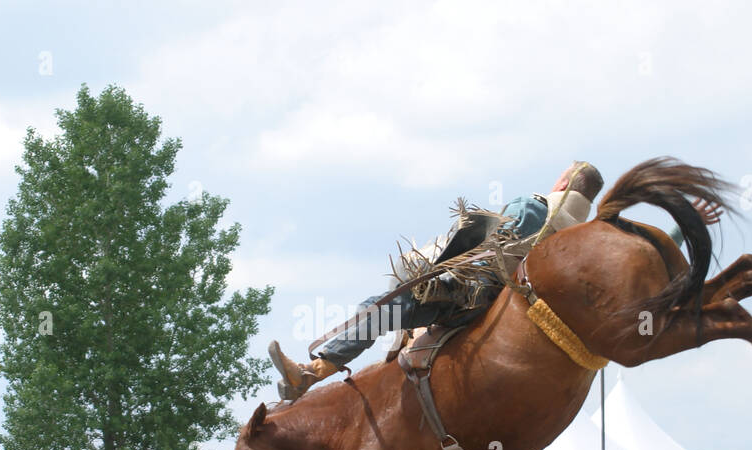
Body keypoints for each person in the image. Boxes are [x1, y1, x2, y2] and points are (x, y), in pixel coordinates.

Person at [267, 166, 723, 403]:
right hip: (514, 310)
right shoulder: (581, 237)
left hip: (470, 295)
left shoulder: (534, 205)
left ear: (563, 181)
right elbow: (638, 261)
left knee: (384, 304)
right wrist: (685, 231)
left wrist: (438, 271)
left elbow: (489, 248)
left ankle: (315, 371)